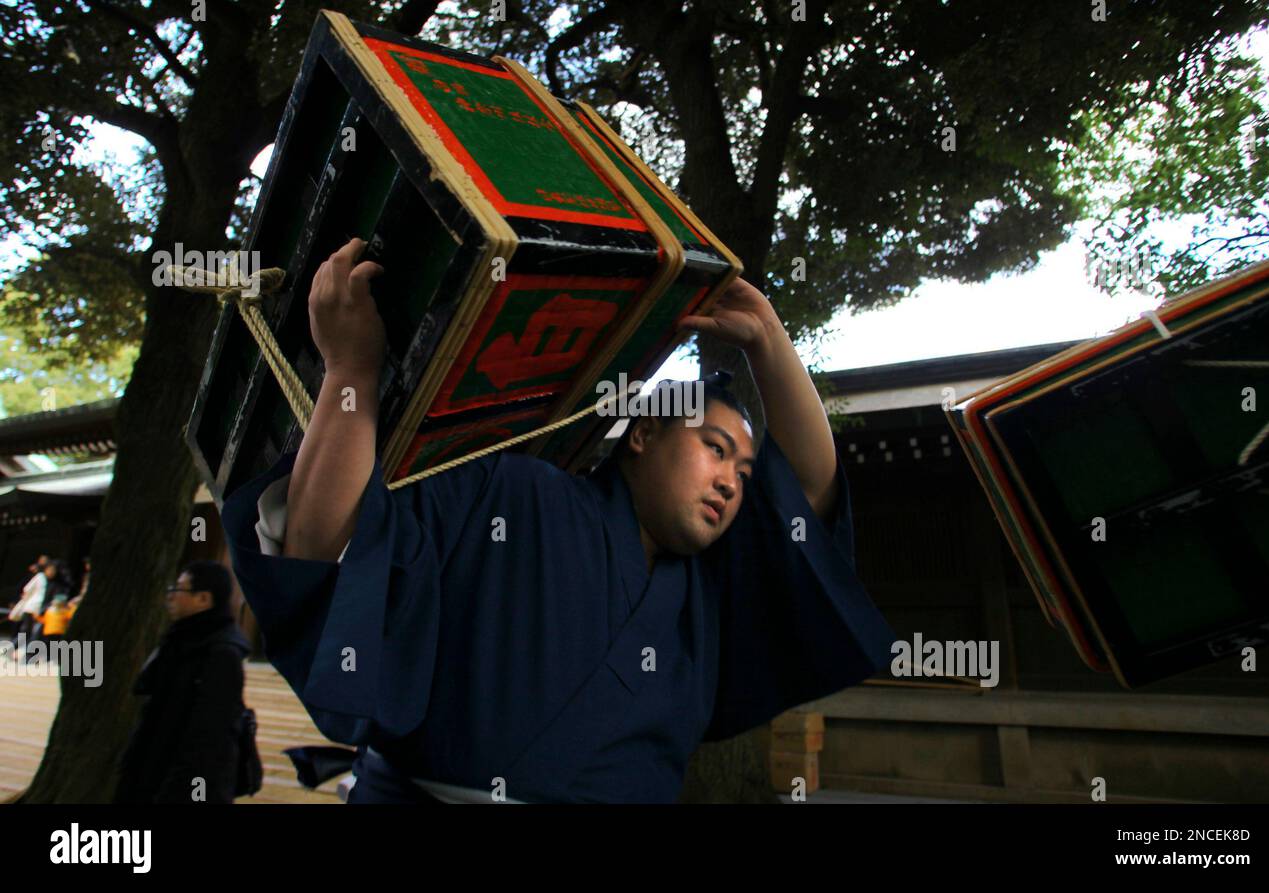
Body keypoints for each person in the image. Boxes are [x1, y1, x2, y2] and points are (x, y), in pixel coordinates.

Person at [220, 238, 897, 803]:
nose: (731, 479)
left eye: (746, 475)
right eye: (716, 449)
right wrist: (351, 368)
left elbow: (809, 489)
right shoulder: (510, 491)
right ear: (643, 435)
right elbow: (327, 548)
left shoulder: (710, 597)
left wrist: (770, 343)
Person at [113, 561, 251, 804]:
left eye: (179, 589)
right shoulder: (179, 638)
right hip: (153, 765)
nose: (171, 595)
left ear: (203, 599)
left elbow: (208, 735)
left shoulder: (222, 654)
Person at [7, 557, 50, 643]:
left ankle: (15, 646)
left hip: (32, 606)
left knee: (27, 629)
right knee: (28, 629)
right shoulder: (41, 577)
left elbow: (26, 590)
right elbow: (27, 589)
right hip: (34, 607)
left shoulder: (40, 577)